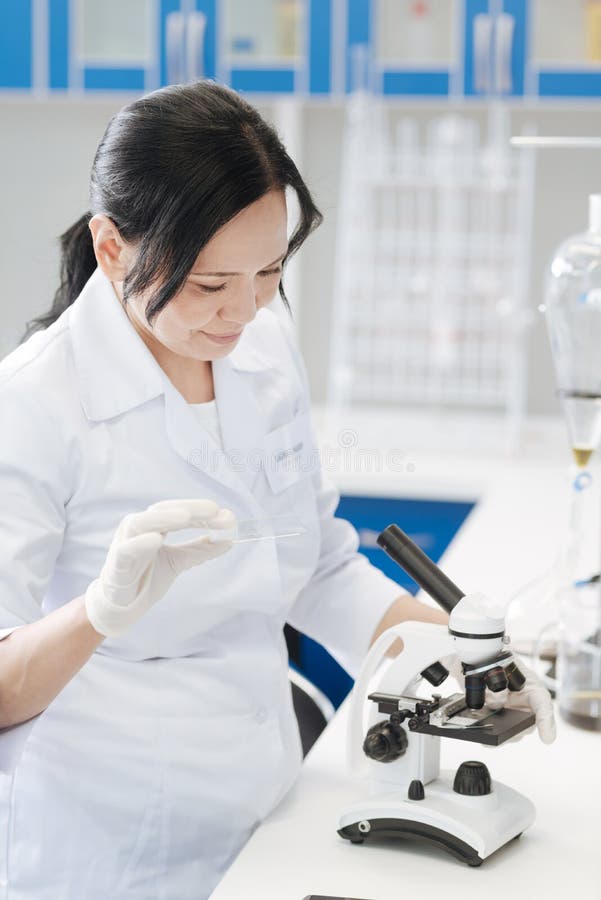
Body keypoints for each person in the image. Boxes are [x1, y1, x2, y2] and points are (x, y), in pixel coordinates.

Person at [0, 81, 554, 899]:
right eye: (208, 284)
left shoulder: (260, 344)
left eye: (267, 269)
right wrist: (98, 614)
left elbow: (318, 569)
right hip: (113, 848)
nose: (244, 309)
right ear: (112, 247)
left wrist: (468, 654)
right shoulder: (33, 404)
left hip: (268, 810)